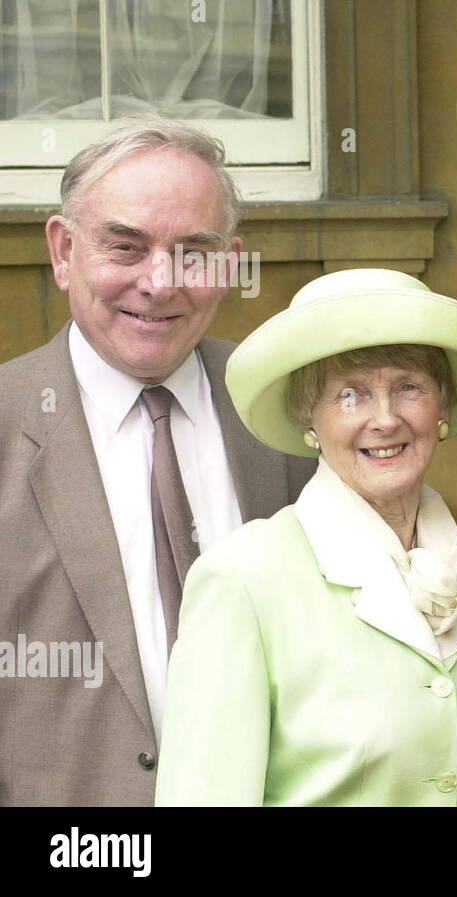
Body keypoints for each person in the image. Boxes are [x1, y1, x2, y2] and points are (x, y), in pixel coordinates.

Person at [0, 117, 314, 806]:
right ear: (62, 250)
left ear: (229, 264)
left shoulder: (290, 410)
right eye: (125, 246)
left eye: (193, 252)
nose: (161, 281)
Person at [155, 268, 457, 806]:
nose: (384, 419)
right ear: (310, 420)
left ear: (442, 408)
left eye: (408, 387)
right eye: (350, 395)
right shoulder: (242, 581)